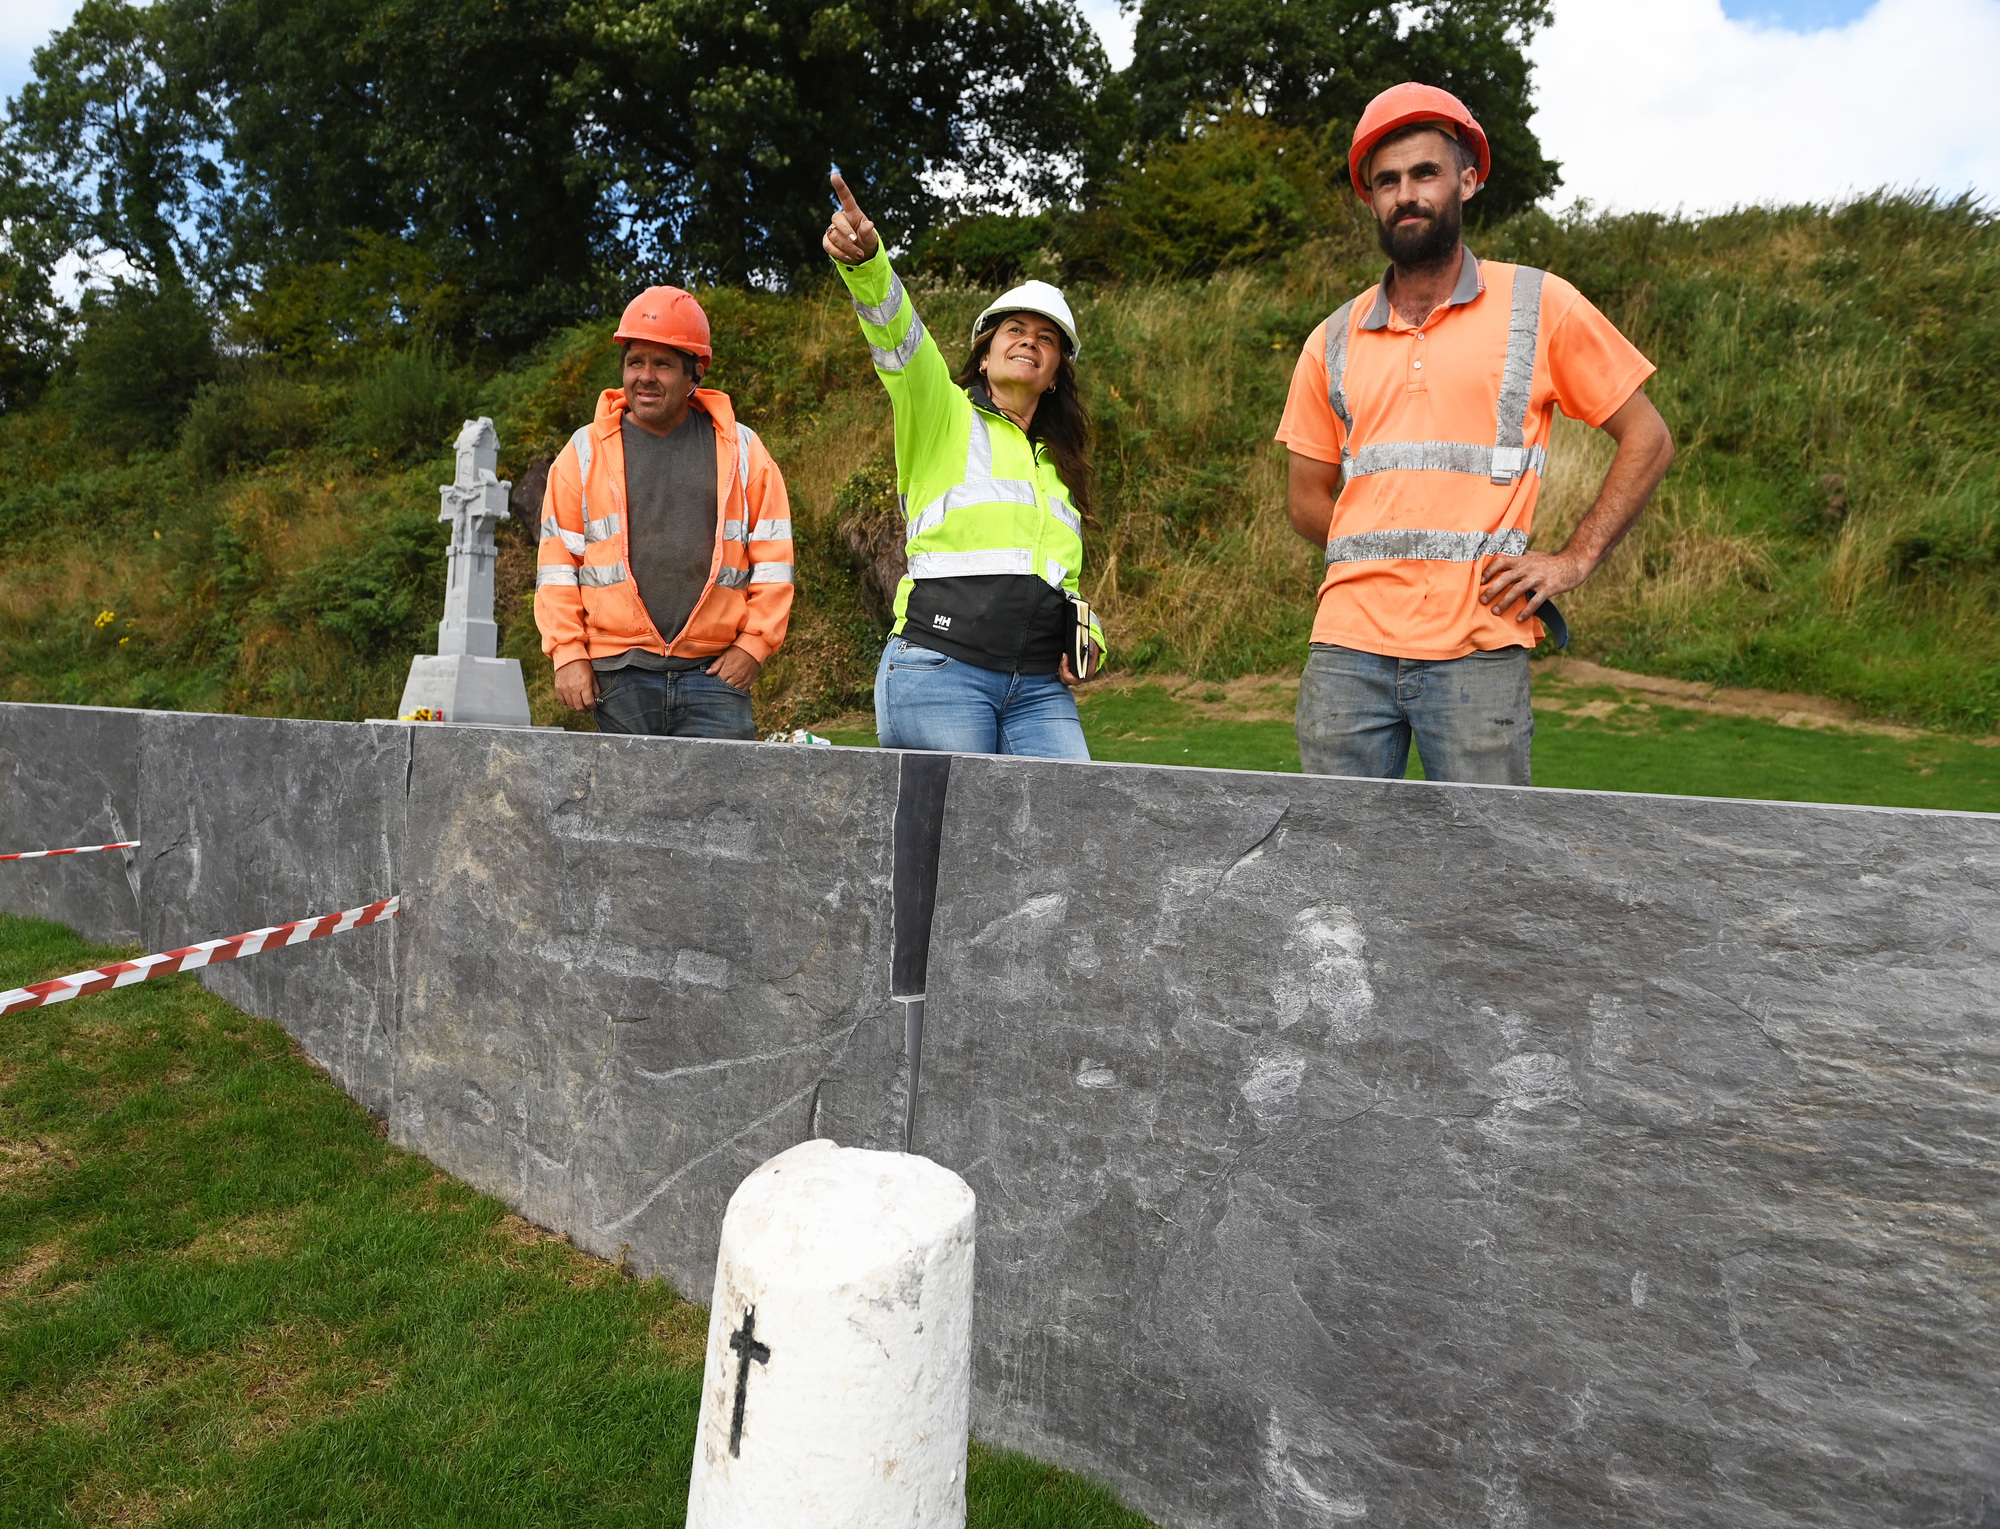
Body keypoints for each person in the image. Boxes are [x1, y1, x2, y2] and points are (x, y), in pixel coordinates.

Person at [1277, 83, 1675, 786]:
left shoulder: (1538, 303)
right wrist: (1385, 553)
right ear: (1370, 199)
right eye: (1387, 181)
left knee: (1483, 852)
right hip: (1345, 652)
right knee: (1337, 851)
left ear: (1466, 180)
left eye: (1425, 173)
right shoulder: (1331, 339)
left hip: (1479, 652)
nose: (1406, 194)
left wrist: (1573, 561)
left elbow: (1649, 437)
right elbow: (1306, 499)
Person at [822, 173, 1105, 760]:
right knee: (952, 822)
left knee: (1071, 813)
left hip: (1038, 689)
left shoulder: (1058, 468)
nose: (1029, 341)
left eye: (1046, 339)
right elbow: (900, 338)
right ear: (984, 354)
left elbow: (1064, 580)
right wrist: (869, 266)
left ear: (1056, 374)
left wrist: (1088, 634)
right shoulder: (941, 410)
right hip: (940, 671)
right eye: (1015, 330)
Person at [535, 286, 794, 738]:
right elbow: (557, 567)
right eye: (635, 362)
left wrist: (753, 646)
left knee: (724, 789)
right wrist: (568, 653)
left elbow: (774, 561)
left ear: (695, 372)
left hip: (715, 674)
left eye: (663, 364)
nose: (646, 377)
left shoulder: (743, 450)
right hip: (617, 675)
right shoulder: (583, 452)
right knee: (622, 789)